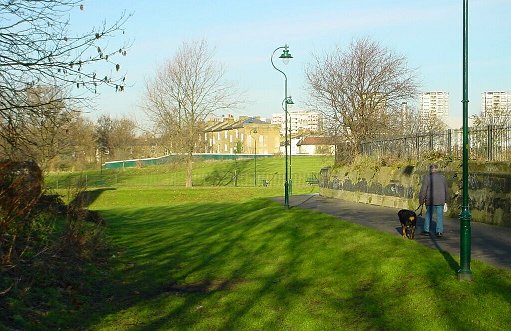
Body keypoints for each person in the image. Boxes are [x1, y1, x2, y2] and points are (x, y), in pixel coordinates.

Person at [419, 163, 448, 237]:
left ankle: (426, 230)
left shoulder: (427, 177)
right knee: (440, 216)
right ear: (437, 169)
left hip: (430, 199)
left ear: (430, 169)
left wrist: (421, 200)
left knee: (428, 215)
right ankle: (439, 232)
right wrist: (446, 201)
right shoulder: (443, 177)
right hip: (441, 199)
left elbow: (423, 190)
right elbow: (446, 190)